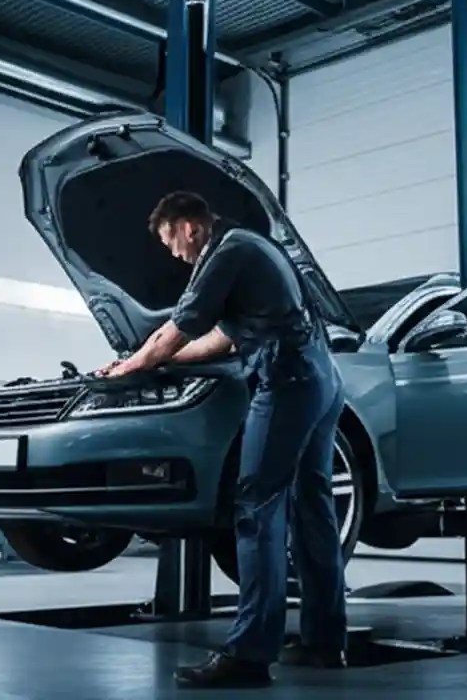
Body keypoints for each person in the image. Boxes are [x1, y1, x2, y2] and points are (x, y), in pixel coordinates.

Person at [100, 191, 349, 688]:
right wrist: (167, 359)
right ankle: (325, 642)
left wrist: (129, 366)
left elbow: (176, 329)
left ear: (188, 226)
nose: (173, 253)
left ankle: (249, 655)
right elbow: (224, 338)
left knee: (257, 508)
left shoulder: (225, 252)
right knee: (312, 508)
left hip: (286, 381)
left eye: (170, 240)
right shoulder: (251, 246)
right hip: (322, 379)